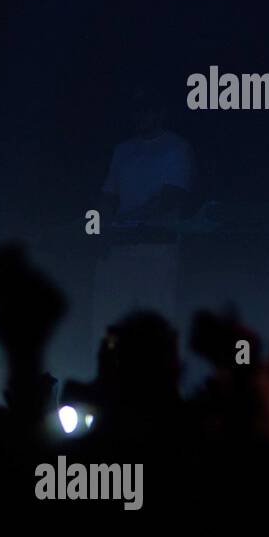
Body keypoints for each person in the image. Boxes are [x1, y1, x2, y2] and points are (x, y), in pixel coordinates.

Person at [92, 93, 195, 348]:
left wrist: (130, 218)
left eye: (146, 110)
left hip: (158, 249)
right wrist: (102, 228)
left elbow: (172, 197)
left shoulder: (177, 148)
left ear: (161, 113)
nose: (140, 117)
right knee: (111, 318)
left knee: (156, 321)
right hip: (120, 248)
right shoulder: (123, 150)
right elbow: (108, 195)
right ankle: (109, 372)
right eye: (137, 111)